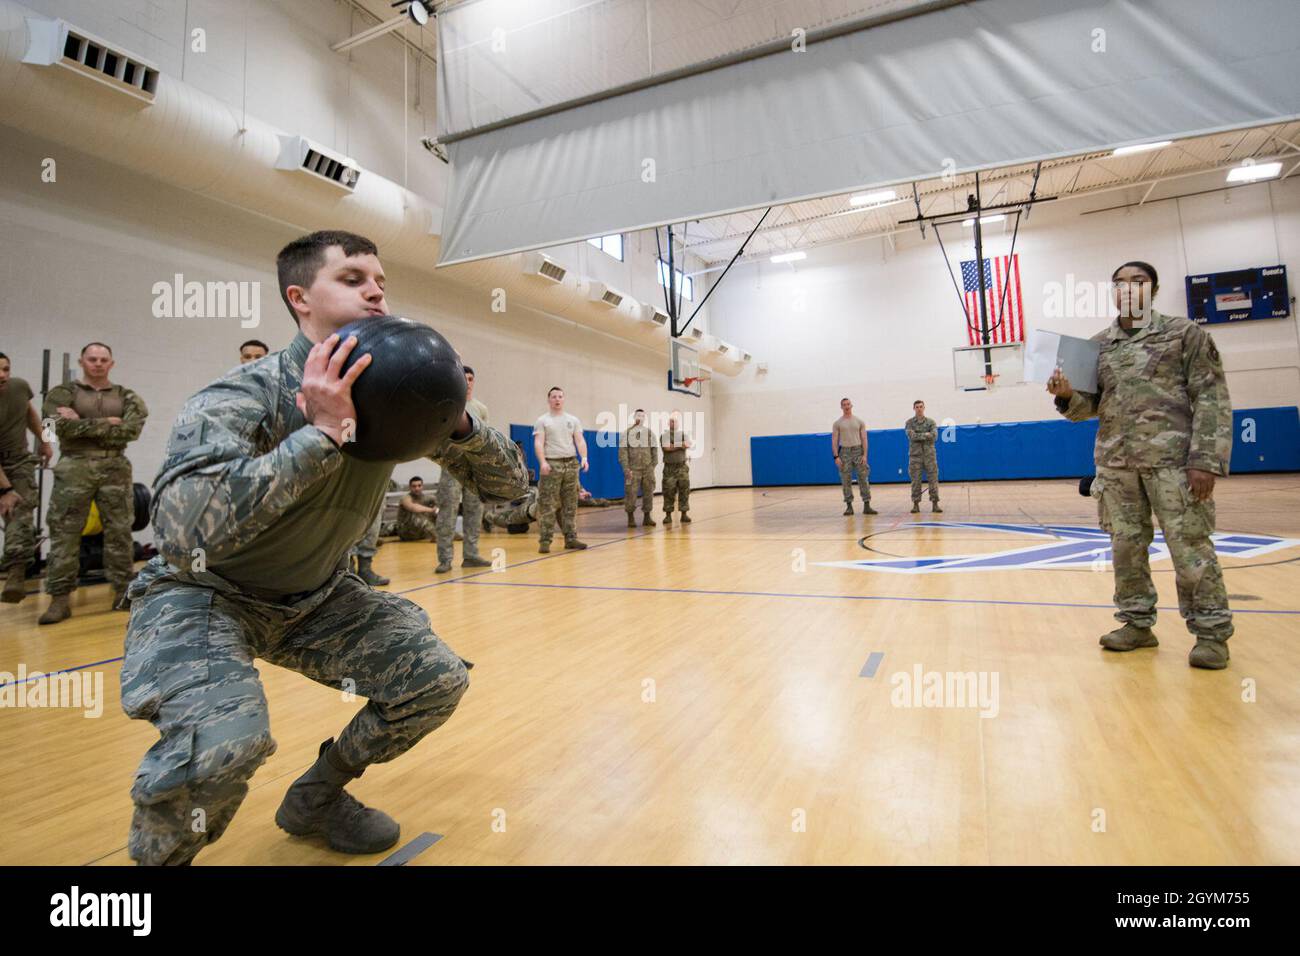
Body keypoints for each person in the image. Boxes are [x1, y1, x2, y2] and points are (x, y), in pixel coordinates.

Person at [120, 230, 528, 865]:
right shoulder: (243, 394)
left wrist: (459, 423)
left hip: (316, 599)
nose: (375, 290)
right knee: (224, 744)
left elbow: (509, 489)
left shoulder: (393, 391)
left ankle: (316, 797)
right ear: (300, 298)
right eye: (353, 278)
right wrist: (319, 435)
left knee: (434, 682)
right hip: (204, 595)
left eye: (381, 282)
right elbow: (180, 531)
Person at [1048, 260, 1234, 670]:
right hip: (1117, 466)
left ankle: (1211, 633)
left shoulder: (1184, 334)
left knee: (1190, 549)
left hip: (1174, 464)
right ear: (1113, 293)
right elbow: (1086, 408)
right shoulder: (1096, 347)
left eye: (1138, 281)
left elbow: (1211, 397)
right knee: (1126, 548)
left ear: (1153, 289)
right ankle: (1136, 624)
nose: (1128, 288)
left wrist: (1205, 460)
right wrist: (1064, 396)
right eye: (1120, 283)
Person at [39, 342, 149, 623]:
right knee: (65, 532)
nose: (98, 364)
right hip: (74, 467)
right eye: (92, 359)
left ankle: (123, 591)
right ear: (82, 361)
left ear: (111, 363)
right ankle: (59, 599)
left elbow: (131, 431)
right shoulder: (62, 393)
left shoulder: (127, 396)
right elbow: (53, 427)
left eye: (103, 359)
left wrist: (81, 423)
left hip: (115, 467)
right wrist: (108, 422)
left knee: (120, 531)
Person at [0, 353, 54, 603]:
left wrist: (45, 442)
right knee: (10, 501)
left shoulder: (19, 386)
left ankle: (16, 574)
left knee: (18, 513)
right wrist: (5, 490)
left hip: (19, 460)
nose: (2, 375)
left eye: (6, 369)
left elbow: (30, 413)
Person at [435, 365, 491, 573]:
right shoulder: (448, 406)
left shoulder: (481, 409)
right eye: (464, 378)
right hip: (451, 466)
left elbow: (485, 438)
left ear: (473, 382)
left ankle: (471, 554)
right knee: (447, 512)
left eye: (470, 379)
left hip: (474, 467)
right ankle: (445, 558)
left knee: (475, 511)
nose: (467, 382)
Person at [533, 387, 588, 553]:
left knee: (570, 504)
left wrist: (584, 458)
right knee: (547, 504)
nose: (557, 399)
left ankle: (571, 538)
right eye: (554, 397)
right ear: (549, 400)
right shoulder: (543, 421)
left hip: (571, 464)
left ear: (564, 399)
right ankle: (545, 540)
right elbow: (538, 443)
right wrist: (542, 462)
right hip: (552, 464)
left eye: (560, 397)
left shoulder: (572, 420)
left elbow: (580, 441)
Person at [832, 397, 876, 515]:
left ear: (851, 405)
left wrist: (865, 455)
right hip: (844, 453)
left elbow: (864, 438)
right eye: (844, 405)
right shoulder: (838, 423)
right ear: (841, 407)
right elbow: (835, 440)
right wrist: (836, 456)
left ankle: (867, 505)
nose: (846, 406)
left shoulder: (859, 421)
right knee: (845, 479)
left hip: (858, 451)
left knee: (863, 478)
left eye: (848, 404)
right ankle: (849, 506)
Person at [619, 408, 658, 528]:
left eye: (642, 416)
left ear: (644, 418)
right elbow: (623, 452)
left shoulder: (649, 433)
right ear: (634, 417)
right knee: (631, 493)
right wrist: (626, 468)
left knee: (648, 493)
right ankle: (630, 518)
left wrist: (653, 465)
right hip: (633, 469)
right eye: (638, 415)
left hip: (647, 469)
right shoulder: (626, 433)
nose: (640, 418)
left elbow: (654, 449)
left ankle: (647, 517)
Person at [905, 400, 941, 514]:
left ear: (924, 408)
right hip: (915, 457)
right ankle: (915, 505)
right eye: (917, 407)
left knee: (933, 480)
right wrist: (926, 434)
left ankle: (935, 504)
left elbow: (934, 436)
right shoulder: (909, 422)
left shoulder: (931, 422)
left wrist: (919, 435)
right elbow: (912, 436)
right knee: (915, 481)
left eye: (921, 407)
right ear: (914, 408)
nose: (919, 409)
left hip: (929, 456)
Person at [659, 410, 692, 525]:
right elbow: (667, 448)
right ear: (668, 424)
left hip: (682, 467)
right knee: (668, 491)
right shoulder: (664, 436)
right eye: (671, 421)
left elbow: (688, 444)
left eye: (675, 421)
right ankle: (668, 515)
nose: (673, 423)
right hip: (669, 469)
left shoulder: (684, 434)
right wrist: (680, 445)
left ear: (678, 424)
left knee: (684, 490)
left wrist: (675, 445)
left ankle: (684, 514)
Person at [396, 476, 438, 540]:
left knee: (439, 513)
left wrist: (437, 508)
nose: (417, 488)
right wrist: (431, 510)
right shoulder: (405, 498)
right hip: (407, 533)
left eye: (419, 485)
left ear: (422, 486)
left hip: (422, 533)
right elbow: (413, 507)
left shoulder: (427, 497)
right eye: (414, 486)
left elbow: (441, 503)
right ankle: (437, 536)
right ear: (410, 487)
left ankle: (448, 533)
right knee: (416, 515)